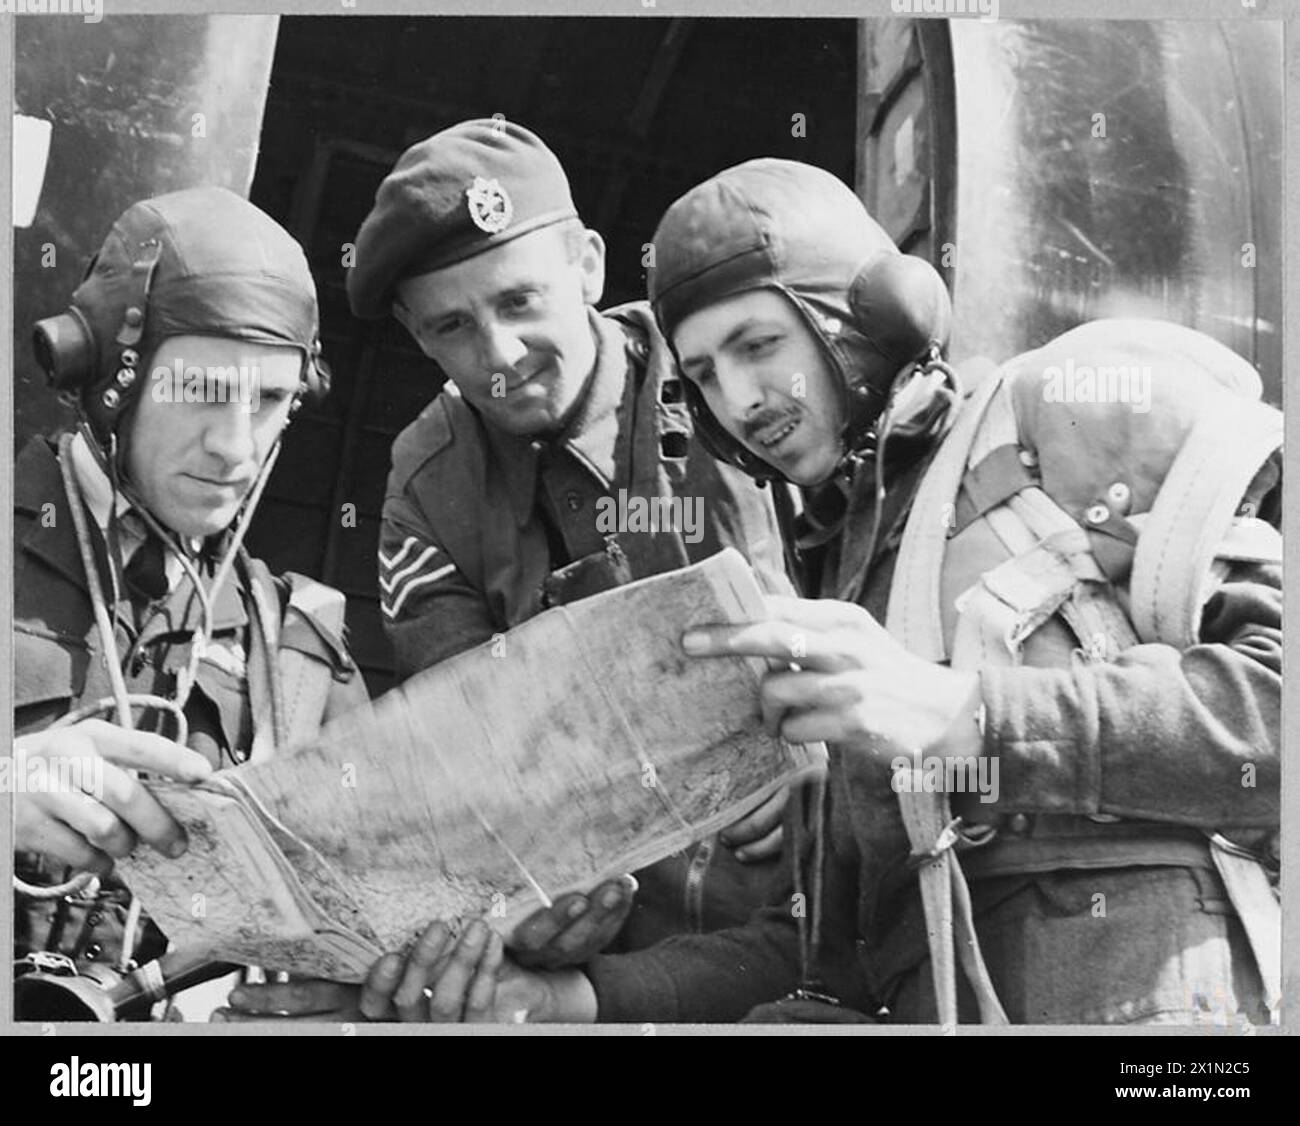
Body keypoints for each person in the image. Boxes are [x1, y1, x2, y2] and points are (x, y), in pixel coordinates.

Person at [334, 158, 1280, 1025]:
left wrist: (966, 713)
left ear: (877, 309)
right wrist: (572, 1000)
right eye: (705, 373)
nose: (743, 400)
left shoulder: (1056, 411)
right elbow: (826, 961)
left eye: (758, 345)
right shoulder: (845, 582)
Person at [343, 120, 795, 955]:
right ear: (415, 335)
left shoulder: (725, 372)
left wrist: (825, 744)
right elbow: (472, 752)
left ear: (586, 265)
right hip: (613, 946)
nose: (500, 355)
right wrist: (528, 908)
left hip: (824, 893)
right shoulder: (427, 483)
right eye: (451, 328)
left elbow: (889, 606)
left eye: (519, 301)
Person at [13, 187, 369, 1020]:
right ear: (105, 376)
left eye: (272, 401)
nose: (236, 446)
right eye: (203, 389)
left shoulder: (299, 649)